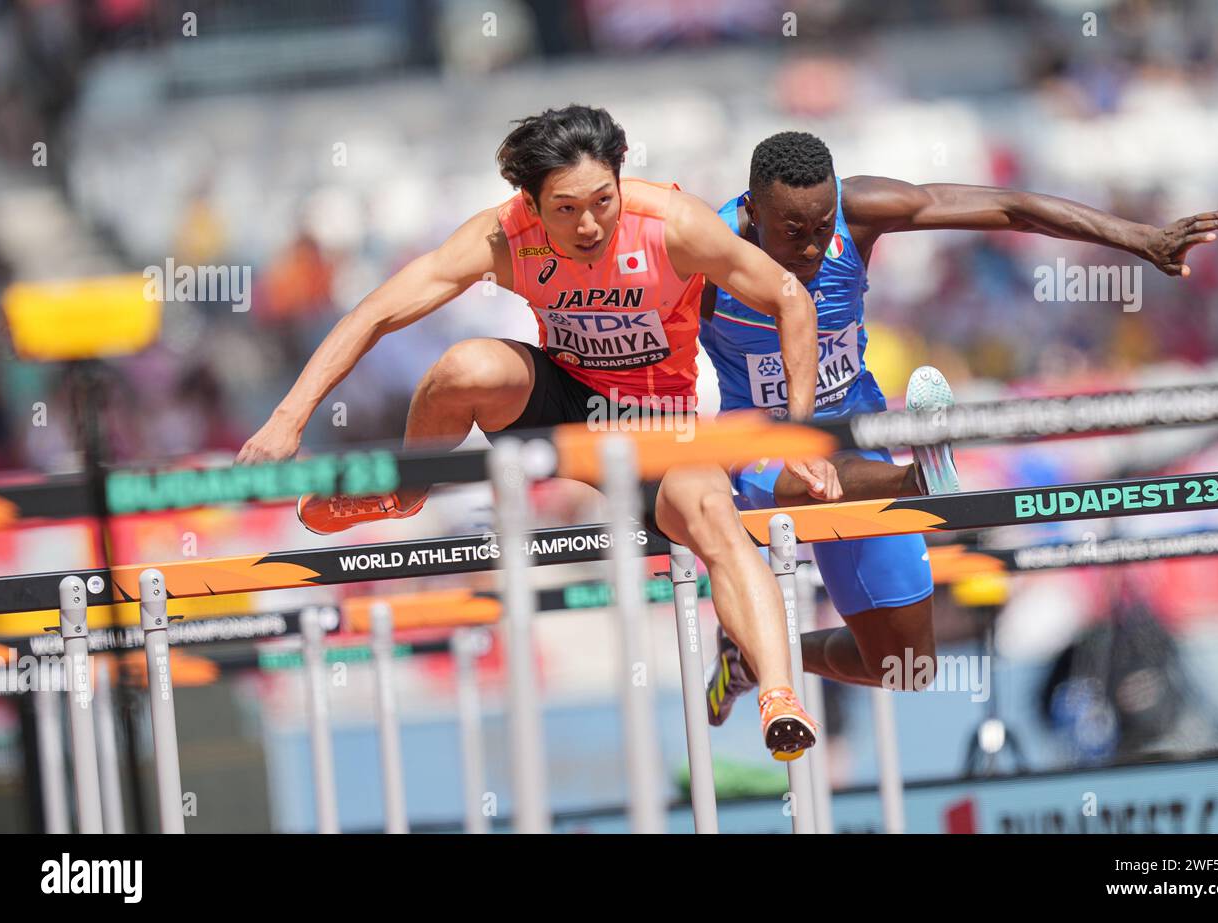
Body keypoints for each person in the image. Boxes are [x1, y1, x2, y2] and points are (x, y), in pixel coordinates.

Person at [236, 106, 833, 760]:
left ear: (619, 182)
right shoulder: (502, 236)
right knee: (463, 367)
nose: (588, 224)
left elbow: (789, 296)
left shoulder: (671, 225)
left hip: (658, 425)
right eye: (566, 208)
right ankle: (405, 490)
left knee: (716, 516)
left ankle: (780, 695)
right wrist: (289, 416)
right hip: (564, 406)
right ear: (530, 202)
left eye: (603, 201)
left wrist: (796, 435)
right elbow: (377, 311)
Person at [702, 130, 1218, 723]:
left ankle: (752, 660)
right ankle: (919, 483)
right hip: (760, 450)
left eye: (822, 228)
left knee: (904, 666)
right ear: (752, 210)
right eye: (790, 233)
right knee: (806, 477)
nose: (809, 249)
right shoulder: (705, 248)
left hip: (857, 435)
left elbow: (1012, 208)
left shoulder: (861, 210)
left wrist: (1138, 238)